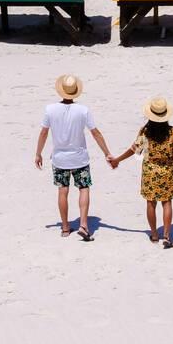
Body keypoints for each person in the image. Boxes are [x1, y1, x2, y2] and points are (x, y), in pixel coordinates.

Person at [35, 73, 114, 241]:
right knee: (83, 188)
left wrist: (38, 153)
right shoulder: (83, 110)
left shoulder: (50, 109)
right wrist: (106, 152)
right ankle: (84, 225)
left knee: (63, 191)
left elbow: (43, 133)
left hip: (59, 159)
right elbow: (95, 133)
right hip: (80, 158)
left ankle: (64, 227)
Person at [110, 96, 173, 248]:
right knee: (167, 202)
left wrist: (117, 160)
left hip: (150, 170)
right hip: (167, 170)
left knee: (151, 203)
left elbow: (134, 150)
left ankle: (154, 235)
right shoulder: (172, 131)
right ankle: (167, 236)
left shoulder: (146, 131)